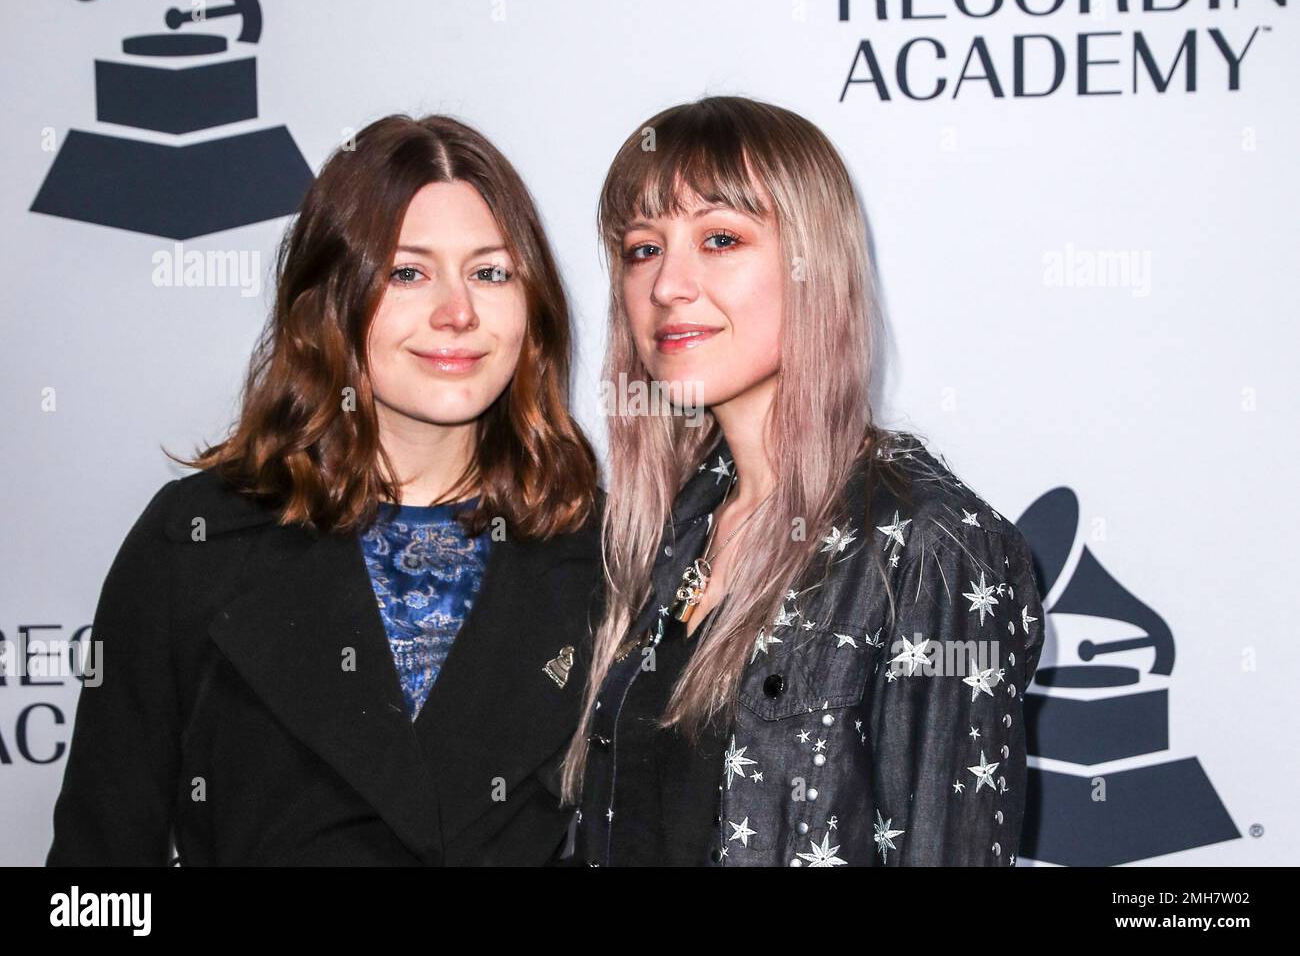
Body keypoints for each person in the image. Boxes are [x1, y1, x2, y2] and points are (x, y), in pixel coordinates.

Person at [47, 114, 601, 867]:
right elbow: (94, 879)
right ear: (330, 300)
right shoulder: (195, 543)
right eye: (408, 273)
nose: (458, 311)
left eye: (490, 271)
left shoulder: (604, 548)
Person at [557, 95, 1045, 867]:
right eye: (642, 248)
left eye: (720, 238)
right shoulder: (663, 533)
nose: (668, 285)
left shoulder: (930, 551)